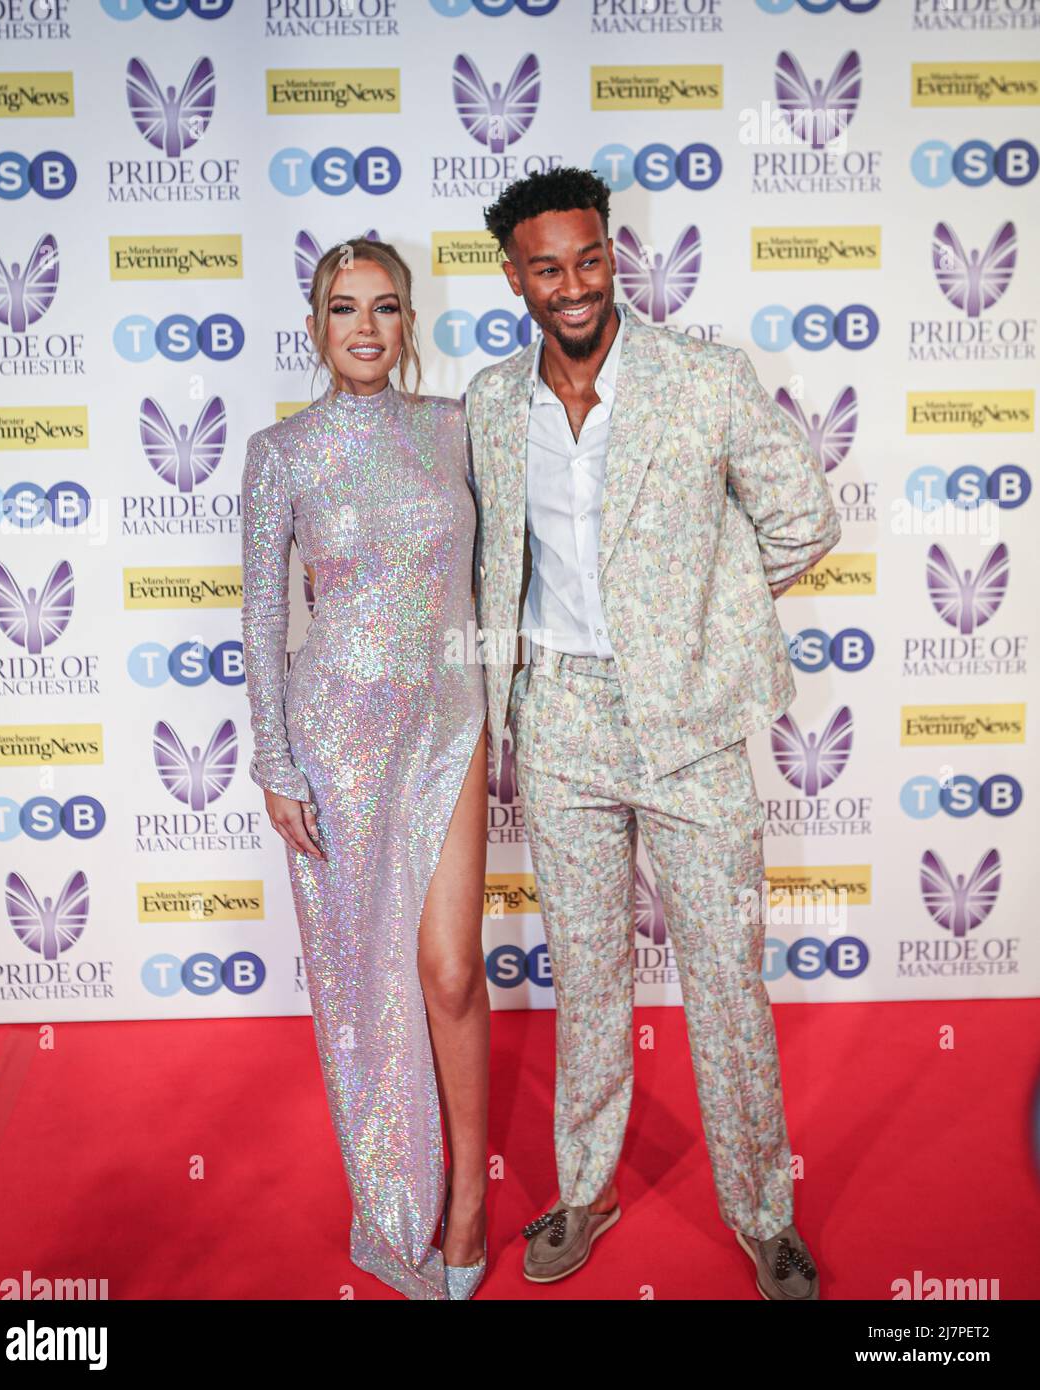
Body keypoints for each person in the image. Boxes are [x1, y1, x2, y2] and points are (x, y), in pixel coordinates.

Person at [465, 168, 841, 1300]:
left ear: (611, 254)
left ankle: (762, 1213)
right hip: (562, 715)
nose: (573, 286)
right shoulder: (490, 403)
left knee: (726, 975)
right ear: (513, 274)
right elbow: (485, 561)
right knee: (584, 974)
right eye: (547, 267)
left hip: (691, 718)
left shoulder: (704, 379)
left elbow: (804, 517)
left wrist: (704, 624)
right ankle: (583, 1189)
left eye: (588, 259)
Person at [240, 238, 489, 1300]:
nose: (366, 328)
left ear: (406, 322)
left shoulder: (451, 432)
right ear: (315, 326)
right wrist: (273, 758)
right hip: (334, 737)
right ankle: (394, 1210)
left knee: (448, 968)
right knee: (362, 983)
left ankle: (469, 1201)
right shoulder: (280, 452)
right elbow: (259, 616)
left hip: (448, 718)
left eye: (385, 308)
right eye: (345, 309)